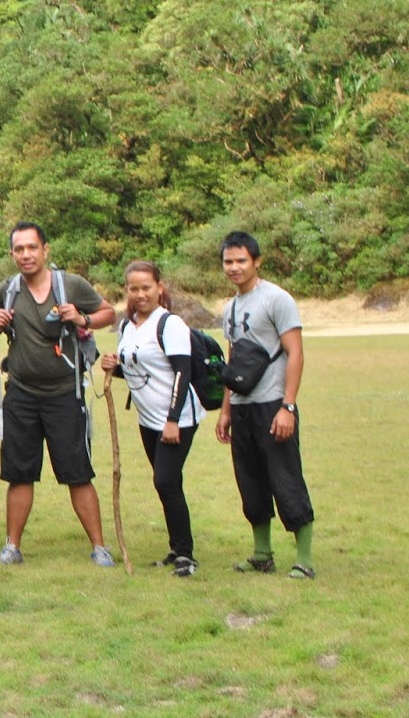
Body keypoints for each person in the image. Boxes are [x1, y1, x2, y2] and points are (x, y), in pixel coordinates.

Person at [0, 222, 117, 566]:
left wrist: (82, 318)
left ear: (45, 250)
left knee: (78, 472)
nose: (26, 255)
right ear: (12, 254)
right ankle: (12, 548)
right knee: (19, 473)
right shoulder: (8, 289)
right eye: (19, 249)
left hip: (64, 394)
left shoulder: (69, 285)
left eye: (32, 248)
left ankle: (99, 547)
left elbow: (109, 313)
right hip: (21, 395)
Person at [214, 231, 316, 580]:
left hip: (272, 403)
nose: (234, 267)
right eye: (228, 261)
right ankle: (261, 553)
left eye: (241, 260)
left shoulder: (277, 300)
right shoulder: (230, 307)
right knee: (250, 480)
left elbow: (296, 352)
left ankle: (304, 558)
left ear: (257, 261)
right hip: (242, 406)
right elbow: (234, 361)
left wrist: (287, 406)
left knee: (285, 478)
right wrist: (226, 410)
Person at [98, 260, 204, 577]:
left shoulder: (169, 325)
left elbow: (182, 373)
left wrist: (172, 420)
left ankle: (186, 556)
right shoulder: (126, 327)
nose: (141, 294)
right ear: (126, 291)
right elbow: (134, 369)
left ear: (160, 287)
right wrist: (112, 367)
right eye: (134, 288)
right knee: (167, 484)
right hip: (148, 420)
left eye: (147, 287)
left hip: (178, 418)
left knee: (166, 480)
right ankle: (176, 548)